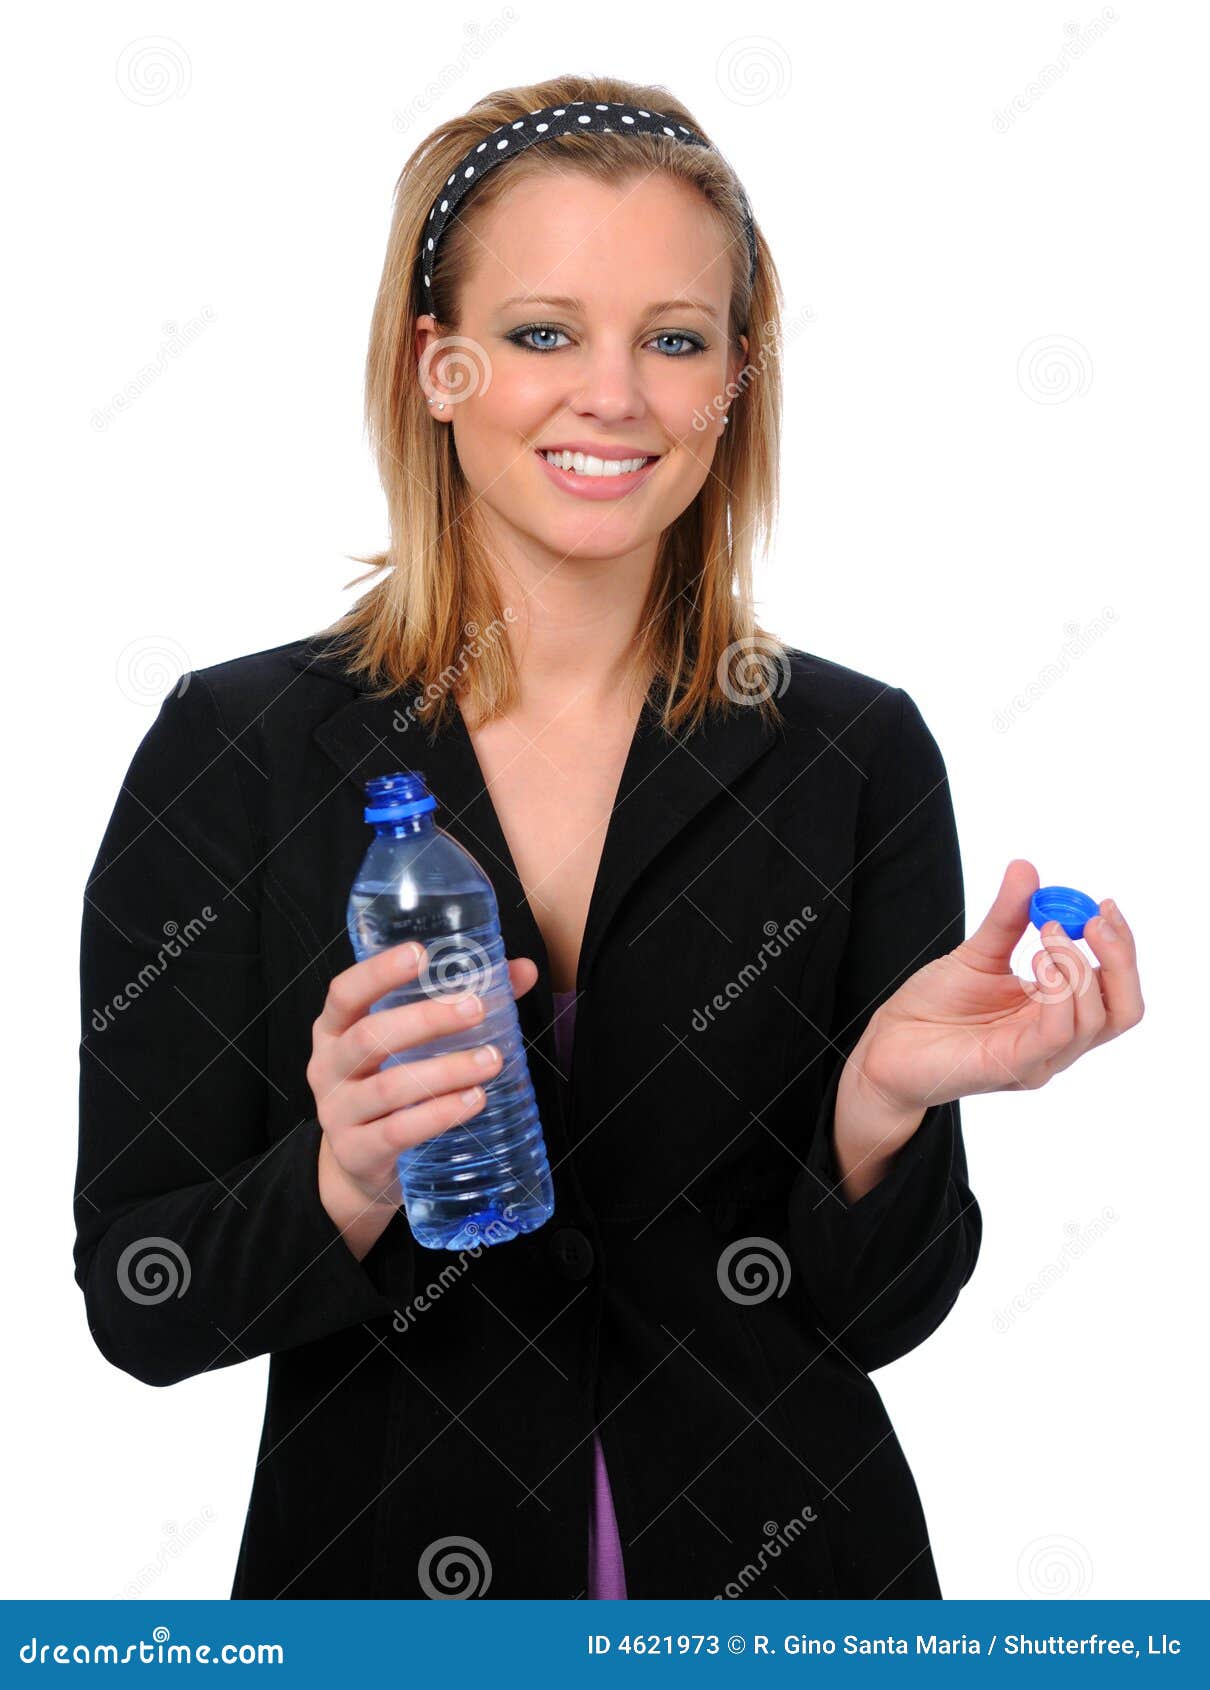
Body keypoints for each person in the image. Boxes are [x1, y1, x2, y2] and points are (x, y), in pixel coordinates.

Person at [74, 73, 1145, 1601]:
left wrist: (881, 1103)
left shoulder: (851, 752)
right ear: (437, 365)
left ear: (733, 383)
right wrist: (348, 1175)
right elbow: (142, 1297)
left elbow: (881, 1313)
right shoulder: (237, 750)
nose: (614, 394)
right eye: (541, 333)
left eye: (675, 339)